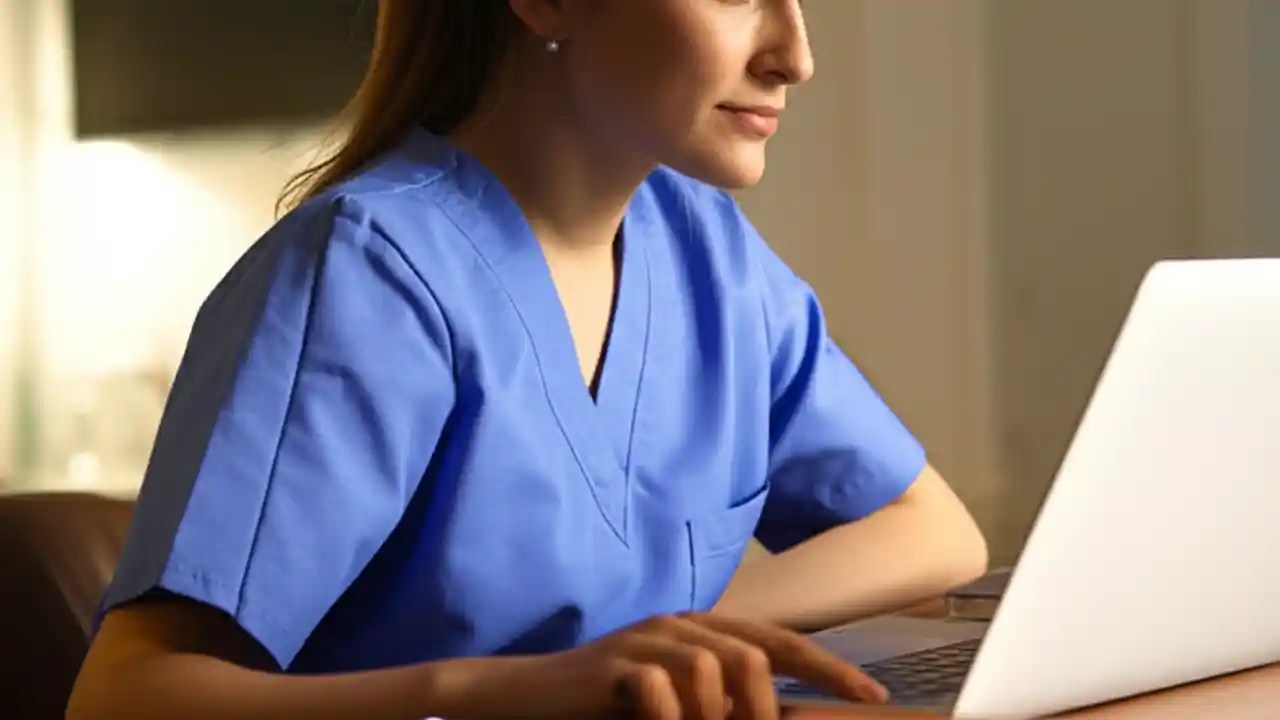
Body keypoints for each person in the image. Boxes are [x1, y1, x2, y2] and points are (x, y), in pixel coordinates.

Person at [68, 1, 988, 718]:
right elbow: (124, 699)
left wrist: (678, 647)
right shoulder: (368, 276)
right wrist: (499, 691)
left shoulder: (706, 250)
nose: (795, 56)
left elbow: (935, 531)